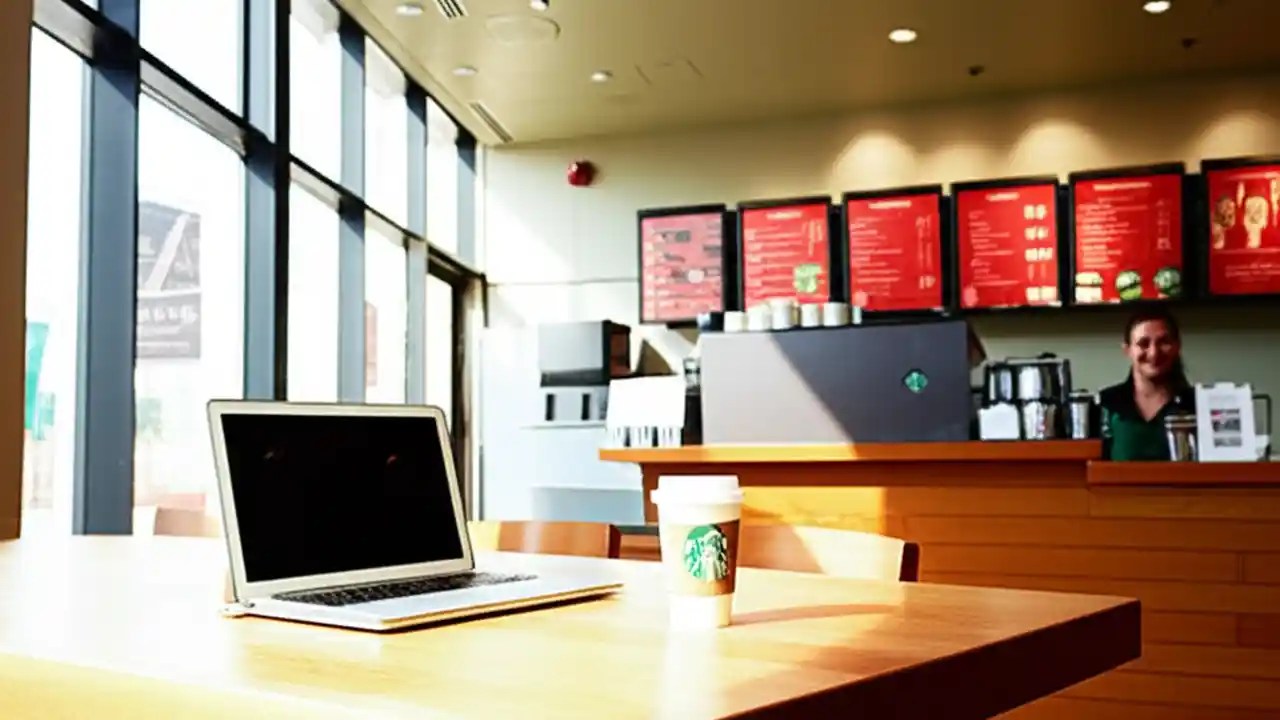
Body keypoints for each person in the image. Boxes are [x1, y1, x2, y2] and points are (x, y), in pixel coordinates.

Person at [1099, 308, 1195, 461]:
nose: (1154, 353)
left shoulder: (1196, 405)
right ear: (1127, 350)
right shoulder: (1107, 404)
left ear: (1177, 347)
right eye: (1143, 343)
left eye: (1163, 342)